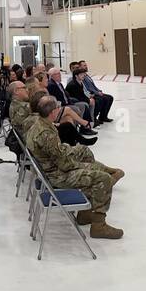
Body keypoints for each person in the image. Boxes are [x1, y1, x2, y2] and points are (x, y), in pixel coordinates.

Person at [25, 96, 124, 239]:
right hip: (56, 175)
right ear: (53, 112)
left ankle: (85, 214)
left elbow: (56, 153)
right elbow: (64, 164)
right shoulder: (46, 133)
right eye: (57, 107)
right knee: (103, 179)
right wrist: (85, 166)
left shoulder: (40, 123)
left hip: (51, 169)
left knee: (85, 156)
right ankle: (99, 226)